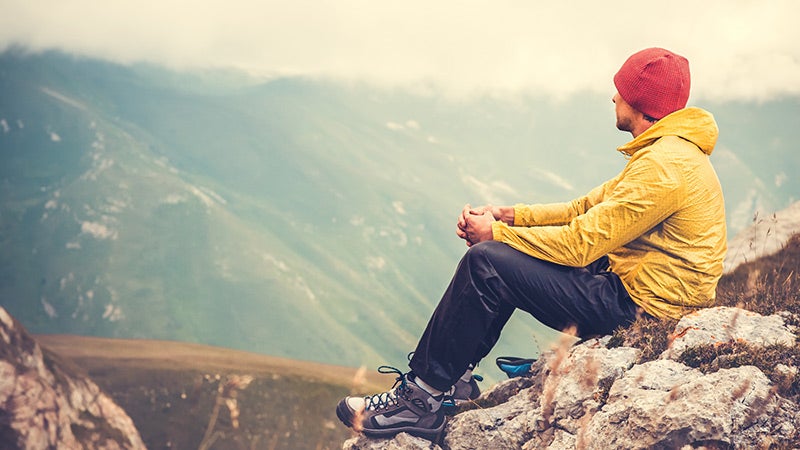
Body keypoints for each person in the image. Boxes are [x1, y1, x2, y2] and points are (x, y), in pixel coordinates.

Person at [335, 47, 727, 441]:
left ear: (641, 103)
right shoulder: (668, 153)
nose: (613, 98)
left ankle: (420, 400)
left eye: (620, 90)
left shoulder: (663, 168)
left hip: (642, 309)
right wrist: (509, 216)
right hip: (642, 290)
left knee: (487, 262)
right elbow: (584, 208)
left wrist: (495, 236)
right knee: (507, 256)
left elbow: (580, 245)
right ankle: (454, 382)